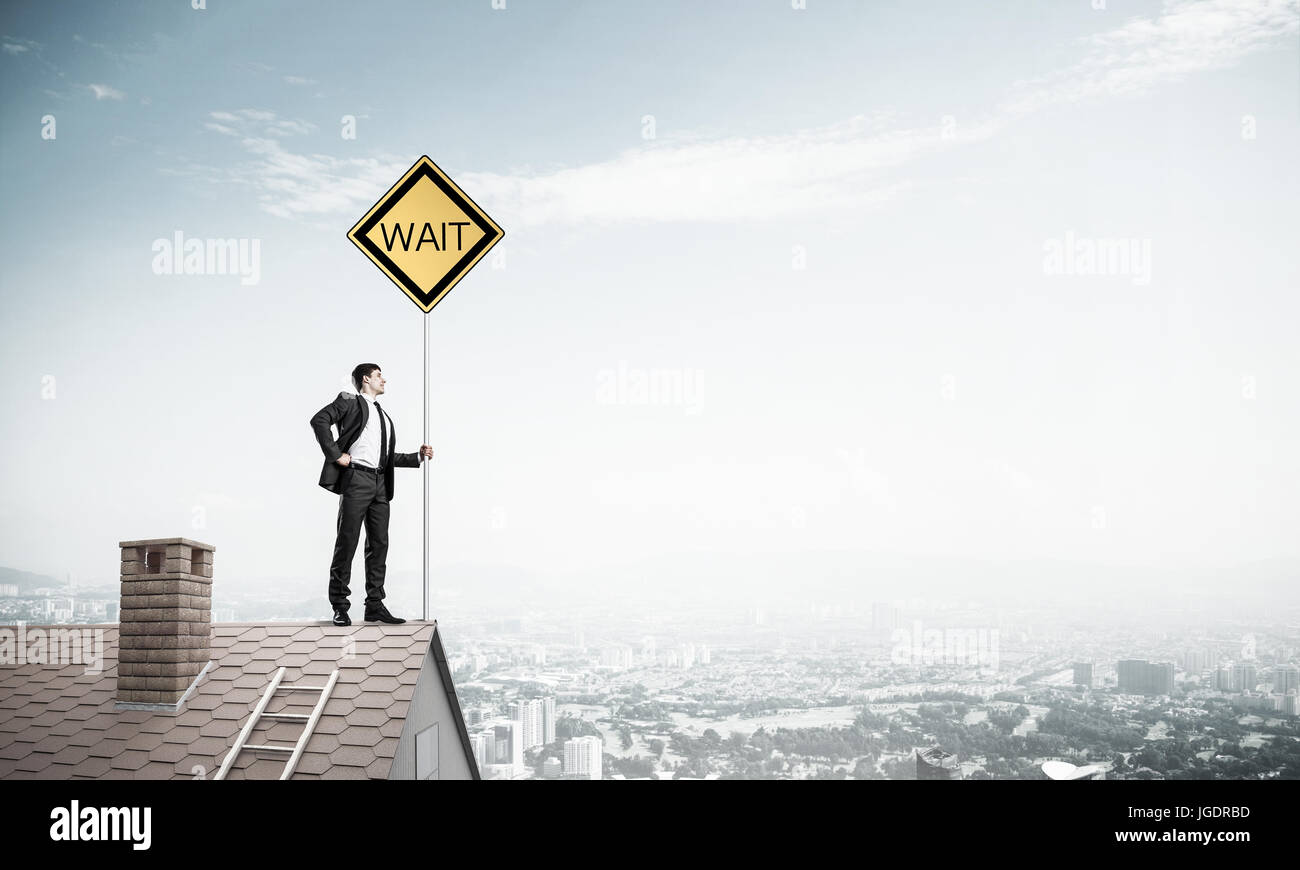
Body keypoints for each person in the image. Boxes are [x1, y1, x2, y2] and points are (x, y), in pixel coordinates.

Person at [309, 363, 433, 626]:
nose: (384, 380)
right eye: (379, 376)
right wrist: (335, 455)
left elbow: (386, 457)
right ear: (366, 379)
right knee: (348, 541)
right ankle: (340, 606)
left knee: (379, 544)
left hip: (380, 483)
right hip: (356, 478)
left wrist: (417, 457)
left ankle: (374, 605)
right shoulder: (349, 401)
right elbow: (319, 420)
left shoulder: (384, 416)